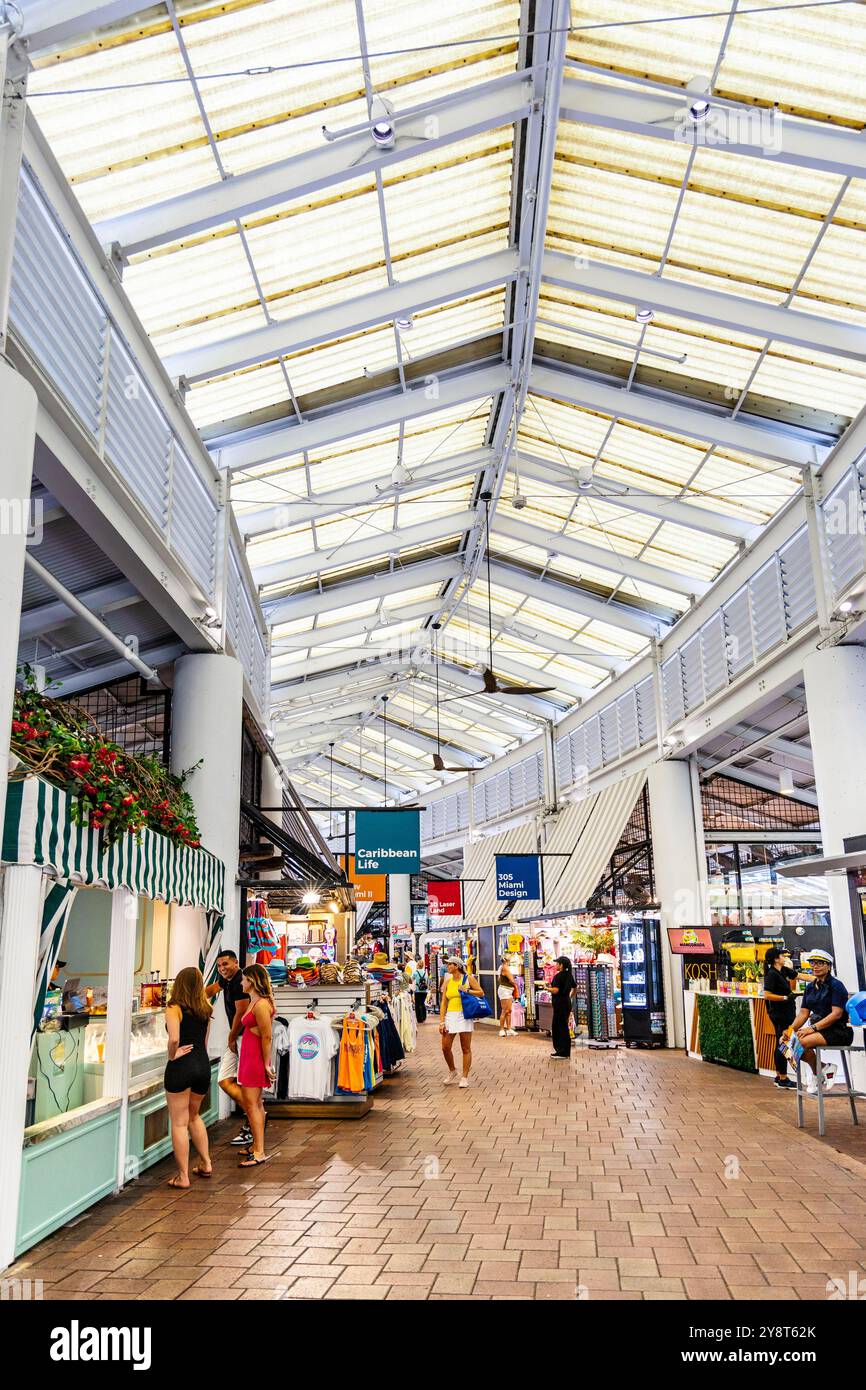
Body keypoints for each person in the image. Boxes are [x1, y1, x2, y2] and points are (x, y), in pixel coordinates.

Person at [163, 966, 213, 1189]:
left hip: (182, 1066)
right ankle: (206, 1163)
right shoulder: (206, 1008)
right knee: (194, 1117)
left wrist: (172, 1055)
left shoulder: (174, 1007)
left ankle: (183, 1176)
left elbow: (174, 1038)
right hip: (202, 1065)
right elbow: (204, 1043)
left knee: (179, 1123)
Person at [205, 949, 252, 1148]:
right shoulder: (227, 981)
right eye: (219, 965)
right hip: (235, 1038)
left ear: (235, 963)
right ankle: (256, 1113)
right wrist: (190, 1001)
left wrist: (232, 1038)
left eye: (225, 964)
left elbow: (240, 1014)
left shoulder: (241, 982)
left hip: (244, 1038)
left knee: (245, 1083)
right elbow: (209, 991)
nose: (222, 968)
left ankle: (253, 1120)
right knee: (225, 1080)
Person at [790, 949, 853, 1092]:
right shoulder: (810, 987)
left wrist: (811, 1029)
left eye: (820, 963)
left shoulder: (836, 986)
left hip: (838, 1031)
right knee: (789, 1044)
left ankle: (818, 1073)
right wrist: (789, 1030)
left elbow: (836, 1014)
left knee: (799, 1043)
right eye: (812, 963)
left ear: (829, 966)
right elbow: (803, 1013)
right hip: (819, 1030)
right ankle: (822, 1069)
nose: (815, 966)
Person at [236, 963, 276, 1167]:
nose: (241, 982)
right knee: (255, 1104)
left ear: (251, 981)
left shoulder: (260, 1005)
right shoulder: (256, 1001)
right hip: (249, 1057)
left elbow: (267, 1036)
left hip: (254, 1059)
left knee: (252, 1105)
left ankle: (259, 1151)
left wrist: (267, 1064)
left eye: (243, 979)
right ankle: (256, 1146)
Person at [439, 954, 484, 1088]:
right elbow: (443, 1002)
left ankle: (464, 1077)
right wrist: (441, 1021)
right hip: (450, 1016)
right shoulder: (448, 981)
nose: (448, 966)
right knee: (445, 1047)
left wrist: (467, 990)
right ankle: (452, 1070)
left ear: (457, 966)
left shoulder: (467, 978)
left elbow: (481, 993)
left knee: (465, 1048)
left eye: (450, 964)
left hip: (464, 1015)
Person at [762, 946, 799, 1089]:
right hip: (781, 1014)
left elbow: (799, 976)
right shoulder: (772, 974)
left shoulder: (782, 971)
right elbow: (767, 995)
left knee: (781, 1042)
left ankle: (779, 1076)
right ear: (776, 959)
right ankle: (783, 1078)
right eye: (783, 956)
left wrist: (819, 979)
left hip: (783, 1012)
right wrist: (785, 997)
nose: (785, 958)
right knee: (784, 1043)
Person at [549, 956, 576, 1059]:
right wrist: (569, 996)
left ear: (561, 965)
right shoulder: (569, 975)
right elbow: (575, 988)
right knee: (563, 1026)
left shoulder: (558, 976)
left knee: (558, 1027)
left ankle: (561, 1051)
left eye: (558, 963)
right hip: (566, 1003)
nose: (556, 965)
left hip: (560, 1004)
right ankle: (564, 1051)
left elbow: (556, 990)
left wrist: (547, 988)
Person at [497, 956, 519, 1037]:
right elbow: (511, 980)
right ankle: (502, 1029)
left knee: (509, 1011)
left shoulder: (503, 967)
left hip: (508, 990)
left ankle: (509, 1029)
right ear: (507, 960)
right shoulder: (505, 968)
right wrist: (516, 986)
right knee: (504, 1011)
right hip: (505, 990)